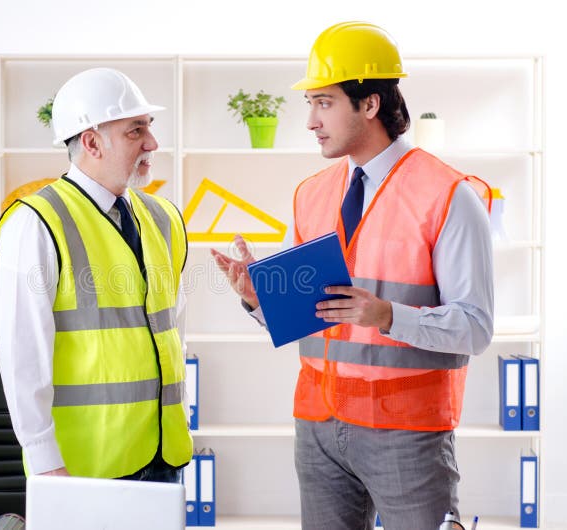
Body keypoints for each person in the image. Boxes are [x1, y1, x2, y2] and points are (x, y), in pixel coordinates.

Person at [211, 22, 494, 529]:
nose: (311, 121)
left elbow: (475, 328)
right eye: (310, 104)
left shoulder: (448, 195)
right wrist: (260, 299)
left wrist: (387, 315)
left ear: (370, 104)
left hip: (406, 433)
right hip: (318, 428)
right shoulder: (311, 193)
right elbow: (312, 316)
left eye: (324, 103)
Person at [0, 67, 192, 483]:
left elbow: (173, 333)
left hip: (164, 456)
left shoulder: (164, 218)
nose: (152, 143)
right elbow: (22, 356)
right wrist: (45, 460)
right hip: (82, 468)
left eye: (149, 126)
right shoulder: (36, 222)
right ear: (91, 142)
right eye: (135, 130)